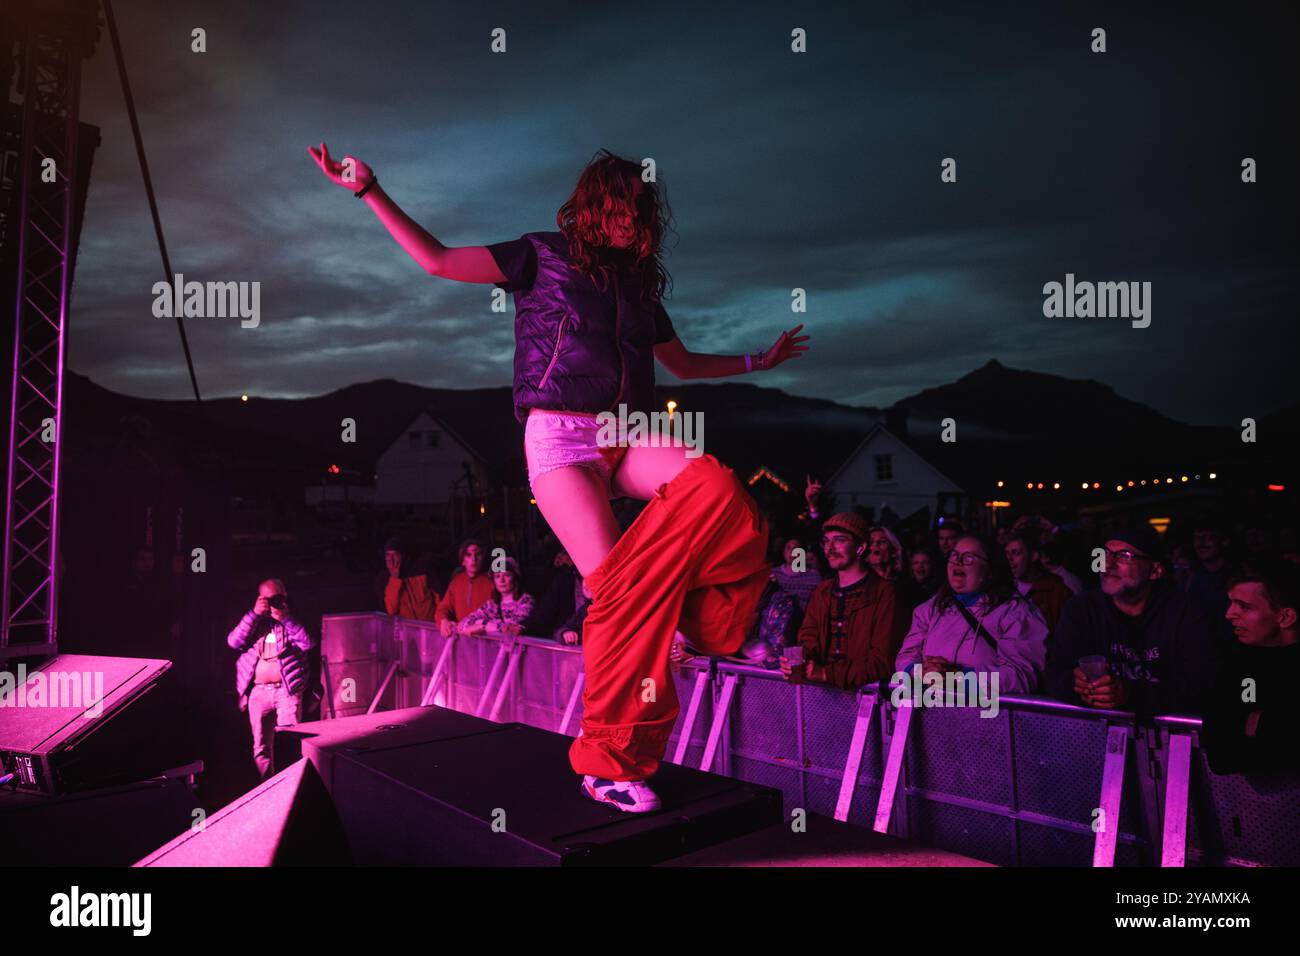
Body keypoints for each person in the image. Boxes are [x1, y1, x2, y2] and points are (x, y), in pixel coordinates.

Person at [309, 145, 806, 812]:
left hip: (619, 432)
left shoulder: (637, 288)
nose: (632, 217)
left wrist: (757, 359)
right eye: (619, 205)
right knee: (617, 598)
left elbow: (683, 367)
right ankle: (607, 764)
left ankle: (704, 622)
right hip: (559, 439)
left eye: (640, 207)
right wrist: (369, 190)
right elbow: (437, 259)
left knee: (717, 491)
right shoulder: (537, 256)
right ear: (595, 206)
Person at [1045, 528, 1220, 715]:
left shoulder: (1184, 612)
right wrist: (1077, 684)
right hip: (1099, 733)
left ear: (1155, 570)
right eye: (1104, 554)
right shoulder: (1081, 608)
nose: (1107, 564)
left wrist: (1129, 694)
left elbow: (1202, 687)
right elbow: (1053, 674)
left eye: (1124, 556)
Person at [896, 534, 1048, 694]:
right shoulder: (930, 609)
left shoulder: (1016, 613)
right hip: (932, 714)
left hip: (986, 715)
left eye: (969, 557)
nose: (958, 561)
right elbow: (906, 656)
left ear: (990, 569)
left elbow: (1021, 675)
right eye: (954, 555)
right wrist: (919, 672)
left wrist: (957, 677)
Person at [782, 513, 908, 690]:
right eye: (826, 541)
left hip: (866, 697)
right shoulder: (823, 591)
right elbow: (809, 637)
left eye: (839, 540)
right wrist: (801, 659)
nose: (829, 548)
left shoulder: (885, 593)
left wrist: (827, 674)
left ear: (860, 547)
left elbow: (883, 660)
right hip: (822, 696)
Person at [1201, 561, 1300, 773]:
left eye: (1244, 606)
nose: (1229, 614)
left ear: (1285, 617)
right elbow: (1221, 757)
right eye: (1231, 603)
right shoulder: (1238, 664)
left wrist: (1258, 723)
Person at [227, 579, 315, 780]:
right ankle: (267, 787)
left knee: (290, 742)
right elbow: (233, 642)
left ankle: (294, 786)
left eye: (277, 598)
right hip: (258, 693)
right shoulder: (254, 622)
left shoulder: (293, 617)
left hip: (287, 691)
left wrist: (285, 618)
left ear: (285, 596)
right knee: (261, 747)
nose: (273, 603)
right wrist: (253, 614)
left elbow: (308, 643)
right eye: (267, 599)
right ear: (259, 599)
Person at [1005, 531, 1073, 630]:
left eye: (1016, 553)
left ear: (1033, 556)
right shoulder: (1004, 591)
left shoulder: (1057, 592)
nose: (1009, 558)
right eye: (1006, 554)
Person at [456, 557, 534, 637]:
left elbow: (511, 630)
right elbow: (462, 625)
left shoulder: (525, 601)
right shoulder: (491, 605)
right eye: (497, 576)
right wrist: (485, 626)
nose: (501, 580)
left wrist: (483, 625)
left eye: (507, 575)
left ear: (515, 578)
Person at [435, 539, 494, 637]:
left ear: (483, 558)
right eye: (468, 555)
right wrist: (443, 620)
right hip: (462, 639)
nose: (474, 559)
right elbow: (443, 608)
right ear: (463, 561)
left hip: (485, 640)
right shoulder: (457, 581)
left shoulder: (492, 582)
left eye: (478, 554)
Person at [524, 547, 584, 639]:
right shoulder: (564, 579)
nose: (558, 561)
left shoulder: (595, 578)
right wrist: (522, 626)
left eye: (562, 556)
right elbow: (545, 610)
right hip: (568, 637)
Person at [381, 535, 440, 622]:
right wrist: (394, 579)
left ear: (403, 555)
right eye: (388, 555)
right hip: (408, 630)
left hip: (429, 626)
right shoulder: (384, 579)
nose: (391, 559)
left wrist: (440, 621)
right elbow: (391, 610)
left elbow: (439, 598)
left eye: (395, 554)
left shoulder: (422, 569)